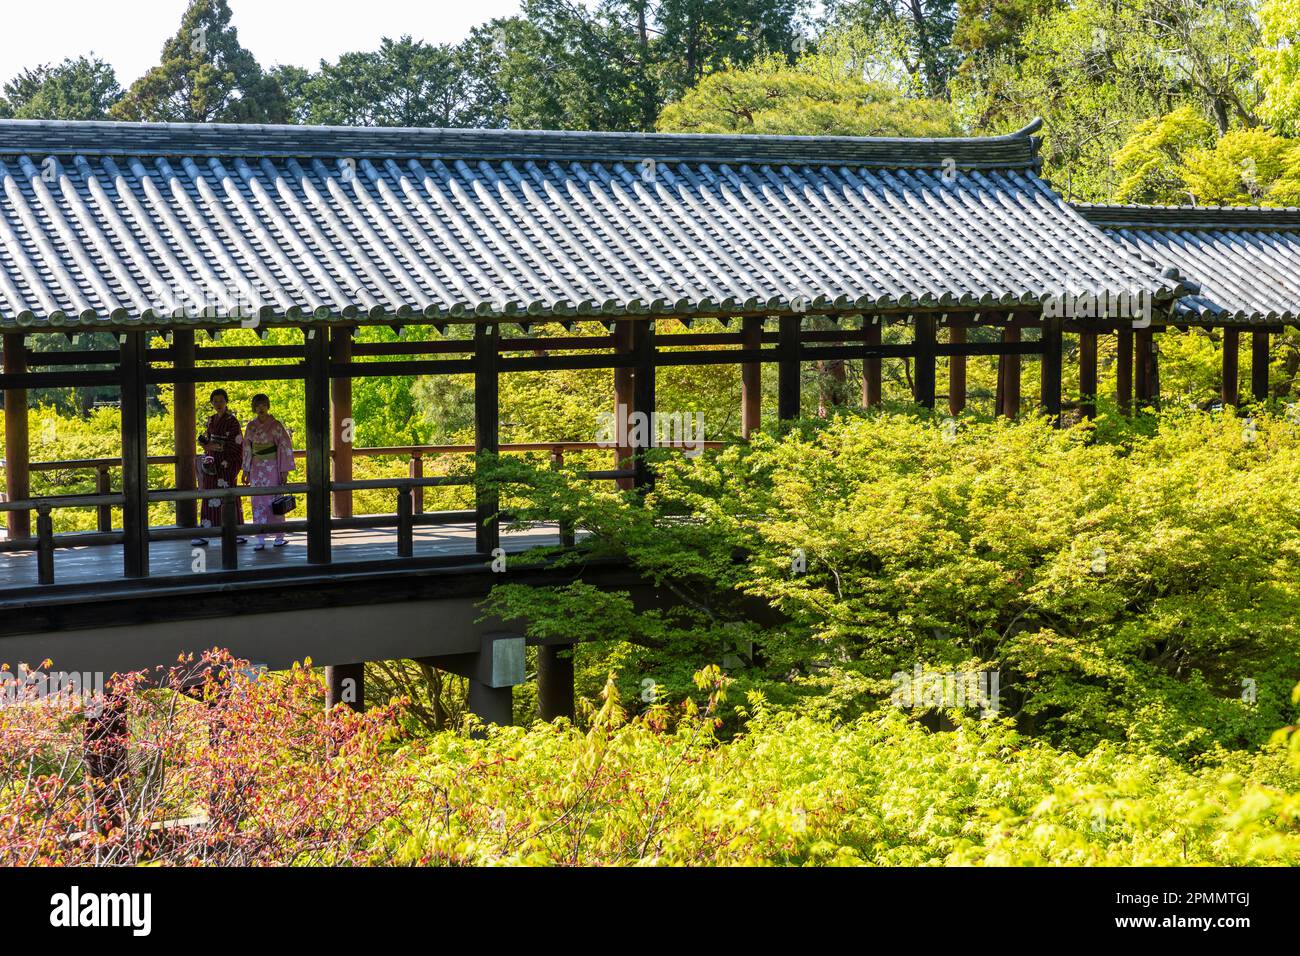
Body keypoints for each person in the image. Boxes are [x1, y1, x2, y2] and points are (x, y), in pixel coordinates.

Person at [242, 394, 295, 550]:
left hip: (273, 467)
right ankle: (260, 537)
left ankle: (279, 536)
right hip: (256, 467)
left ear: (268, 406)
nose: (261, 408)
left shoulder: (276, 425)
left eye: (264, 405)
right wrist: (245, 469)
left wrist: (284, 470)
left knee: (275, 500)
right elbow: (246, 448)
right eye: (258, 405)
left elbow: (285, 447)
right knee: (258, 501)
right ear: (254, 408)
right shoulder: (251, 426)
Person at [194, 389, 245, 547]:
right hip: (212, 463)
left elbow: (237, 444)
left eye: (221, 400)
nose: (218, 404)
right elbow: (208, 439)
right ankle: (206, 532)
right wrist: (205, 443)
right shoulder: (210, 420)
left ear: (226, 402)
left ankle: (236, 532)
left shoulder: (232, 421)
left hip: (226, 464)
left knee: (229, 496)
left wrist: (215, 446)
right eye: (215, 401)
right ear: (212, 403)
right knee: (209, 495)